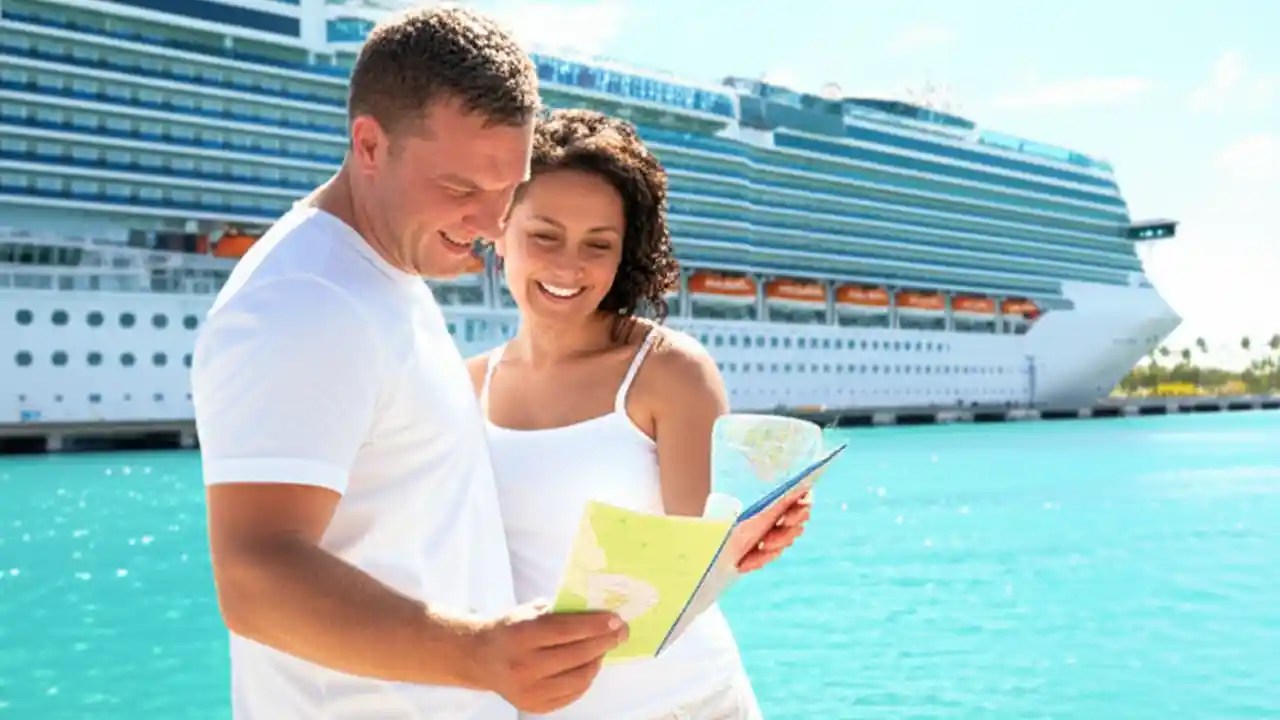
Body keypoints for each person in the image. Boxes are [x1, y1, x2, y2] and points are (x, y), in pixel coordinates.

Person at [190, 8, 629, 719]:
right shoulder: (307, 302)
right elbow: (254, 577)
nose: (493, 225)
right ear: (369, 144)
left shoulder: (385, 275)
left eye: (509, 191)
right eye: (461, 190)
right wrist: (477, 653)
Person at [466, 109, 814, 719]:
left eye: (598, 245)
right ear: (499, 229)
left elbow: (697, 566)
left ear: (625, 253)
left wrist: (753, 534)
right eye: (544, 235)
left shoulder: (668, 371)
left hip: (687, 701)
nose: (569, 266)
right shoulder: (466, 386)